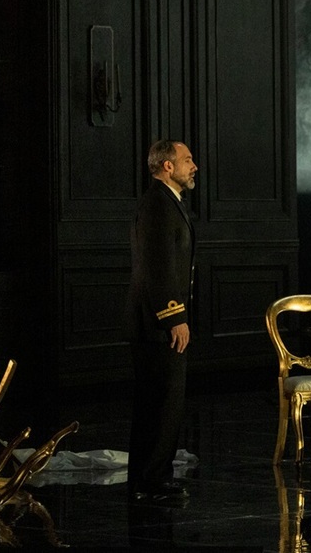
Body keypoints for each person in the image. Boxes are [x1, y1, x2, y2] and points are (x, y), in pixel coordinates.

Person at [125, 140, 197, 501]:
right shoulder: (157, 204)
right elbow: (158, 267)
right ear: (167, 166)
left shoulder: (166, 202)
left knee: (158, 403)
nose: (193, 166)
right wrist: (175, 317)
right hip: (158, 325)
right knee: (162, 405)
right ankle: (152, 482)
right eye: (187, 160)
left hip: (156, 323)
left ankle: (146, 478)